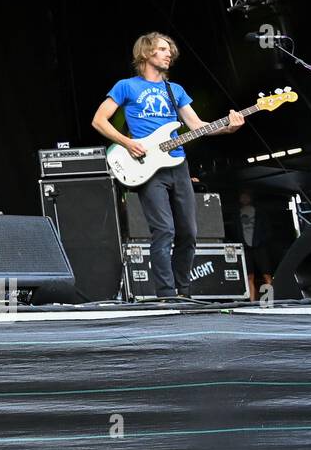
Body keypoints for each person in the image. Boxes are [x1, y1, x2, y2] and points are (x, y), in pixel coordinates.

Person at [91, 32, 242, 298]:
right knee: (164, 230)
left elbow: (197, 126)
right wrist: (127, 142)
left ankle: (183, 291)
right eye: (162, 49)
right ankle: (166, 293)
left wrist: (227, 128)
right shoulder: (126, 86)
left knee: (189, 231)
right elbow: (99, 120)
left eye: (169, 50)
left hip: (177, 164)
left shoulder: (176, 90)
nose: (168, 53)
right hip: (145, 165)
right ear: (146, 53)